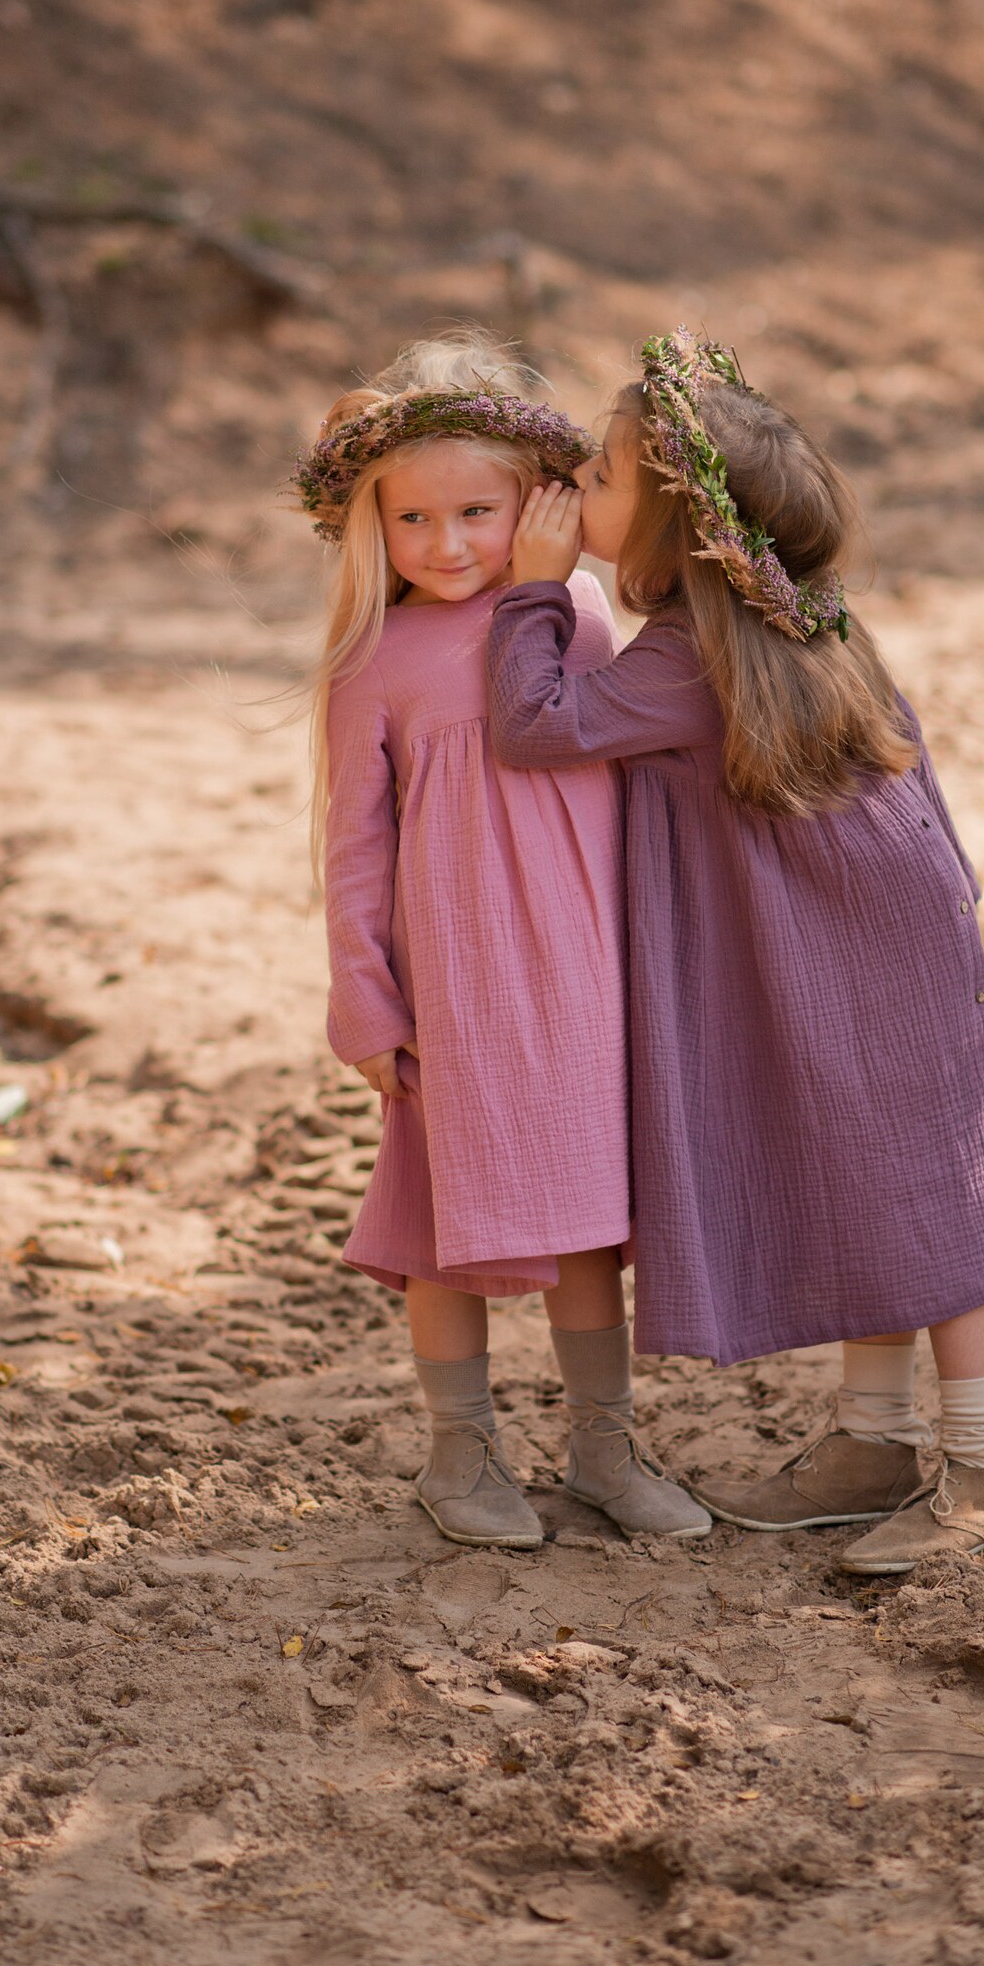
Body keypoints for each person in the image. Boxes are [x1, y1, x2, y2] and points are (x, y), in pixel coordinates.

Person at [486, 329, 984, 1574]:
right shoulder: (780, 618)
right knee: (872, 1168)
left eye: (603, 478)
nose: (578, 485)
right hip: (877, 929)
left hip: (866, 946)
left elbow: (533, 725)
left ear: (675, 524)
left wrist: (532, 589)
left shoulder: (693, 654)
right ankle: (872, 1440)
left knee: (920, 1191)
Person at [302, 331, 710, 1550]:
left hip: (587, 966)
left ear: (530, 502)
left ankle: (602, 1443)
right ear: (372, 525)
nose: (446, 545)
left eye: (476, 511)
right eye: (414, 520)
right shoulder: (374, 660)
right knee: (443, 1213)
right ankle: (460, 1450)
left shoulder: (578, 612)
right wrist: (363, 999)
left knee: (588, 1210)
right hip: (460, 981)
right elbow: (354, 846)